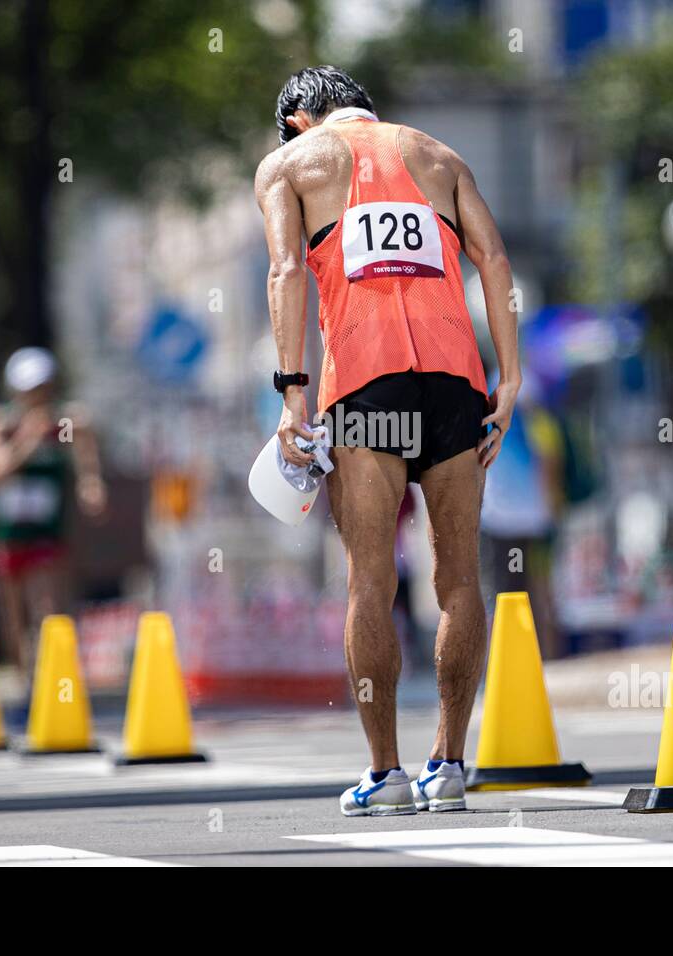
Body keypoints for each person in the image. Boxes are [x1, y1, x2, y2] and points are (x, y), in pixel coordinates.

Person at [254, 66, 519, 815]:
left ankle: (386, 774)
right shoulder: (441, 156)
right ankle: (451, 764)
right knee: (460, 577)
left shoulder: (288, 164)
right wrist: (511, 381)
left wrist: (292, 394)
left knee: (371, 579)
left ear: (300, 118)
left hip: (366, 384)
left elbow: (285, 272)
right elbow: (495, 262)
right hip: (457, 380)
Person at [0, 347, 106, 676]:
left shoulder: (65, 421)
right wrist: (28, 439)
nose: (37, 395)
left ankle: (54, 681)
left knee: (48, 608)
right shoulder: (0, 422)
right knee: (13, 618)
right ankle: (25, 684)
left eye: (42, 387)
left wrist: (90, 484)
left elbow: (86, 459)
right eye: (29, 388)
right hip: (7, 535)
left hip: (47, 533)